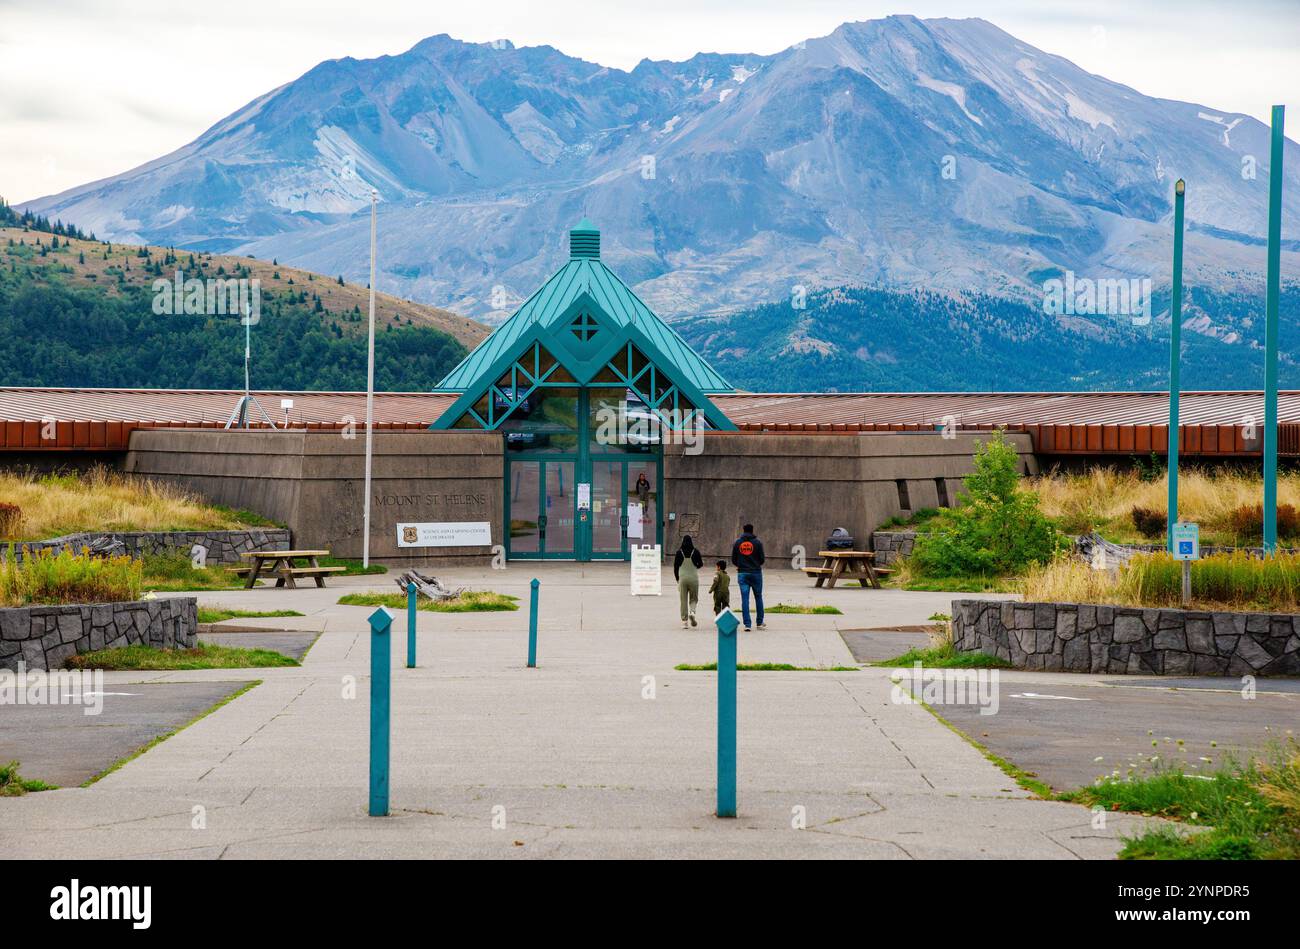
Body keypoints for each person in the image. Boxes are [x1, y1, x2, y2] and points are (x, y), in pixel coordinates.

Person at [731, 523, 765, 631]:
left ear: (743, 530)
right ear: (752, 530)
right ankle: (759, 623)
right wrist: (755, 564)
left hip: (742, 573)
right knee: (758, 597)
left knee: (745, 599)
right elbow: (762, 559)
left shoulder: (738, 543)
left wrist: (741, 565)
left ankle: (747, 624)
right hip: (756, 573)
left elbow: (733, 559)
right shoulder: (758, 543)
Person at [673, 534, 703, 628]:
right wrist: (696, 566)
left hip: (682, 578)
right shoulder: (695, 551)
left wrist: (678, 579)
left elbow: (675, 567)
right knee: (694, 598)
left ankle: (685, 621)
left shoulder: (679, 552)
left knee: (683, 600)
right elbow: (700, 564)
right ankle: (692, 612)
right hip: (693, 578)